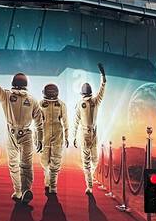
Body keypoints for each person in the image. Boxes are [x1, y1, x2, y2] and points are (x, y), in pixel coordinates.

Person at [0, 50, 36, 204]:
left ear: (13, 83)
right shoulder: (32, 100)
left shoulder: (6, 95)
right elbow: (39, 121)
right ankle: (25, 190)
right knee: (26, 165)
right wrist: (39, 138)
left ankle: (19, 191)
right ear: (26, 85)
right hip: (27, 134)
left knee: (14, 164)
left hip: (11, 134)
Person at [72, 64, 107, 195]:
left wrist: (74, 137)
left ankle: (89, 184)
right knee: (92, 161)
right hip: (91, 133)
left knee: (90, 161)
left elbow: (75, 122)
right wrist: (103, 76)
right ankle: (90, 184)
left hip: (87, 133)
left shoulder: (82, 104)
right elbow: (102, 89)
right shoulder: (95, 101)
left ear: (82, 93)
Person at [33, 81, 69, 196]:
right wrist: (37, 139)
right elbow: (37, 123)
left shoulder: (61, 105)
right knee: (44, 161)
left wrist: (67, 136)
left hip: (57, 136)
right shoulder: (40, 104)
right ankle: (48, 178)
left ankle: (53, 185)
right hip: (44, 136)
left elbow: (65, 121)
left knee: (55, 161)